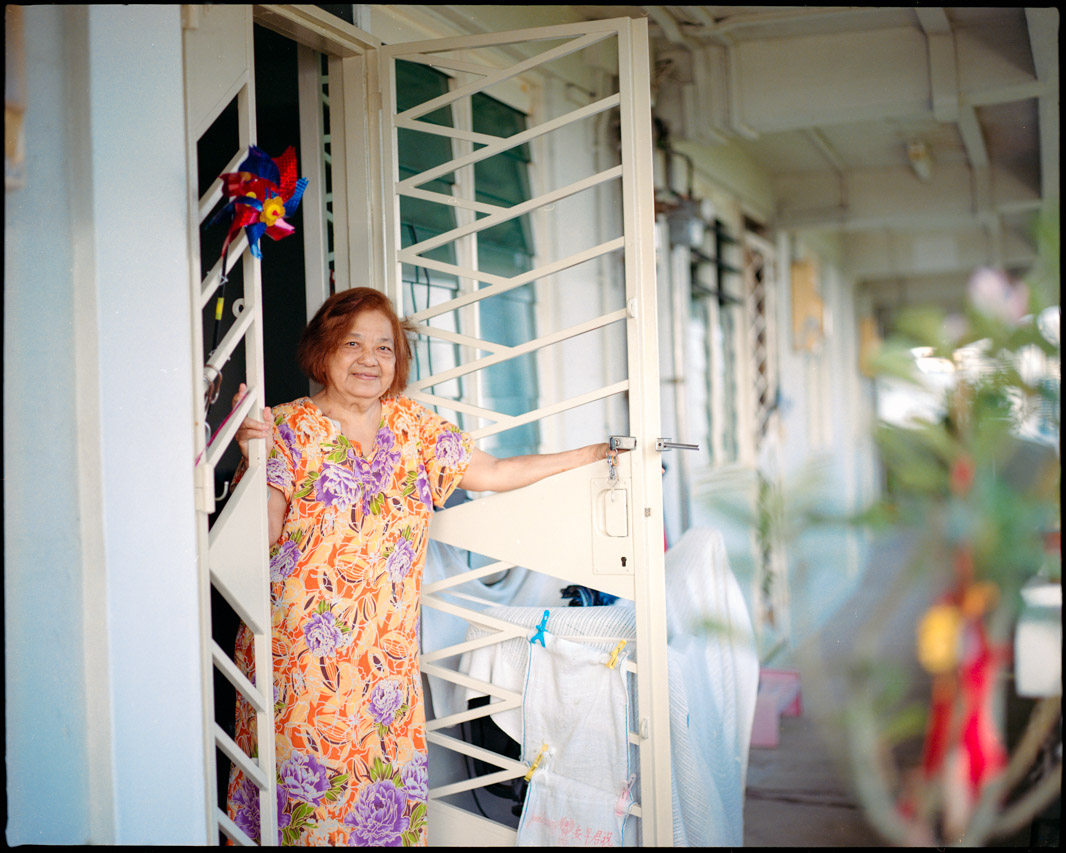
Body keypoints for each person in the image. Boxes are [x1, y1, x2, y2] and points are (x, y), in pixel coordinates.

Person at [225, 287, 614, 846]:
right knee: (304, 808)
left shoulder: (415, 428)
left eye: (384, 347)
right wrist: (252, 455)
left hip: (386, 669)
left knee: (380, 809)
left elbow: (497, 472)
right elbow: (259, 538)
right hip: (302, 663)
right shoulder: (285, 429)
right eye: (352, 343)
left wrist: (595, 455)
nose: (369, 359)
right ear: (322, 350)